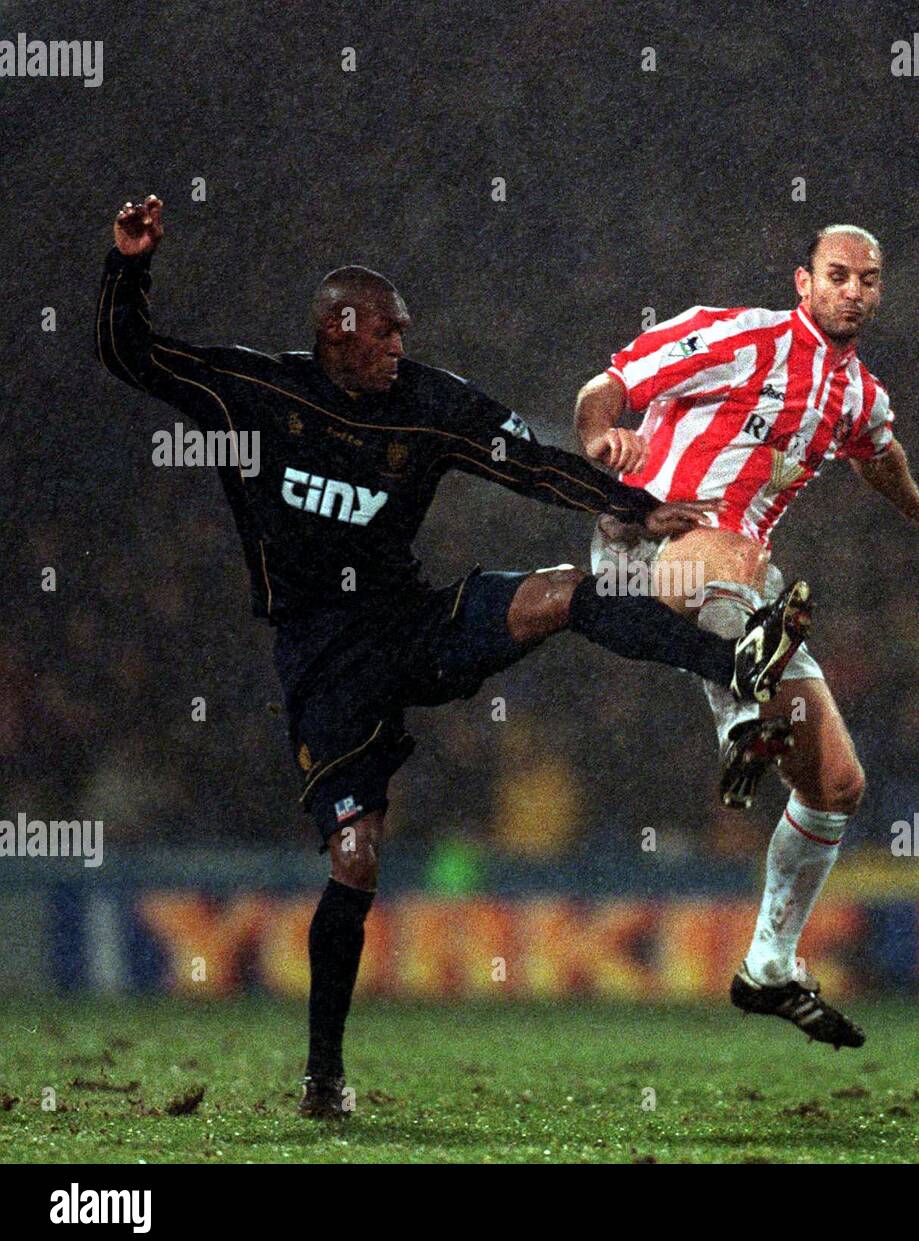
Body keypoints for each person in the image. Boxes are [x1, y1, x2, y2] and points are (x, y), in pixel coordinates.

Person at [97, 195, 811, 1115]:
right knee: (355, 857)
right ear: (335, 332)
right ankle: (323, 1078)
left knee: (562, 592)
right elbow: (132, 355)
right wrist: (128, 265)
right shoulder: (259, 394)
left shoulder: (430, 402)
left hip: (412, 621)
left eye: (405, 332)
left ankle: (738, 661)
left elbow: (529, 460)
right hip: (322, 659)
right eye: (386, 332)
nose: (400, 345)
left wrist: (628, 504)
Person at [575, 224, 919, 1048]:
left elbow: (879, 454)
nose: (854, 291)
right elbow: (609, 383)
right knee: (739, 556)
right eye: (838, 274)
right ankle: (740, 725)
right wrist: (598, 439)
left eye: (869, 279)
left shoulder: (858, 394)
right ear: (804, 281)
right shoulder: (737, 335)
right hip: (644, 543)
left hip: (740, 588)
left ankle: (768, 964)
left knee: (837, 780)